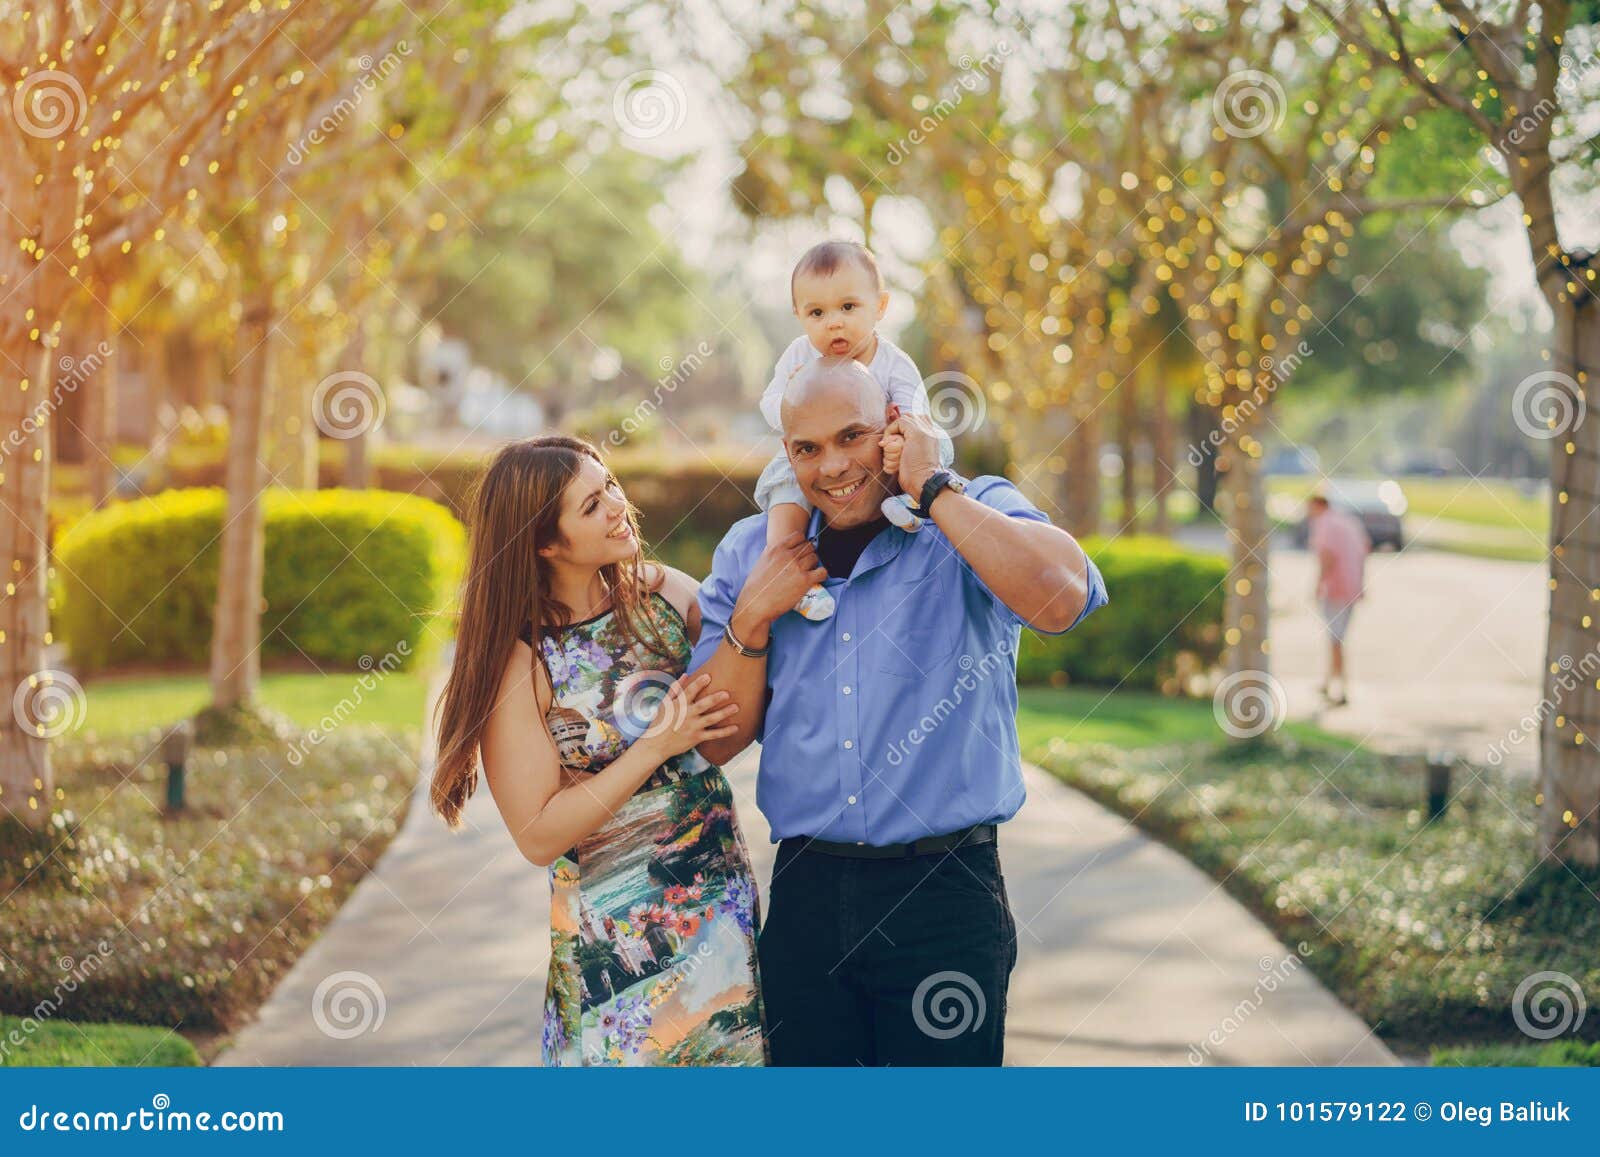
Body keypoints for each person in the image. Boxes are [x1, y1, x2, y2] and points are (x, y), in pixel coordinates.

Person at [689, 358, 1108, 1066]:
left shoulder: (971, 511)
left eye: (852, 436)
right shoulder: (750, 552)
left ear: (894, 426)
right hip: (807, 898)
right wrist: (752, 617)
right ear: (785, 455)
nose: (832, 466)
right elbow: (716, 739)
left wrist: (933, 485)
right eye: (807, 448)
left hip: (943, 897)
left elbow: (1063, 599)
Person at [429, 435, 767, 1067]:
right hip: (617, 944)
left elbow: (750, 674)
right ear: (544, 543)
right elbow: (536, 835)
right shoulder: (526, 660)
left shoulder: (666, 599)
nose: (617, 505)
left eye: (609, 485)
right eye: (590, 506)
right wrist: (654, 747)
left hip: (717, 906)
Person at [755, 240, 955, 622]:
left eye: (848, 307)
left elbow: (915, 413)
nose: (833, 322)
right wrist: (794, 402)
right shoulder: (800, 356)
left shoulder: (893, 363)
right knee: (784, 481)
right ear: (799, 315)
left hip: (882, 452)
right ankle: (789, 569)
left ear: (879, 306)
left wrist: (901, 437)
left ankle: (910, 502)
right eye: (817, 312)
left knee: (935, 441)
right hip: (812, 452)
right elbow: (770, 401)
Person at [1306, 490, 1370, 707]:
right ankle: (1328, 682)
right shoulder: (1349, 522)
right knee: (1337, 637)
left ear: (1316, 505)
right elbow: (1363, 552)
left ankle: (1342, 689)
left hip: (1335, 589)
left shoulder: (1325, 524)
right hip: (1352, 587)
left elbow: (1327, 556)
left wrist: (1317, 585)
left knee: (1335, 639)